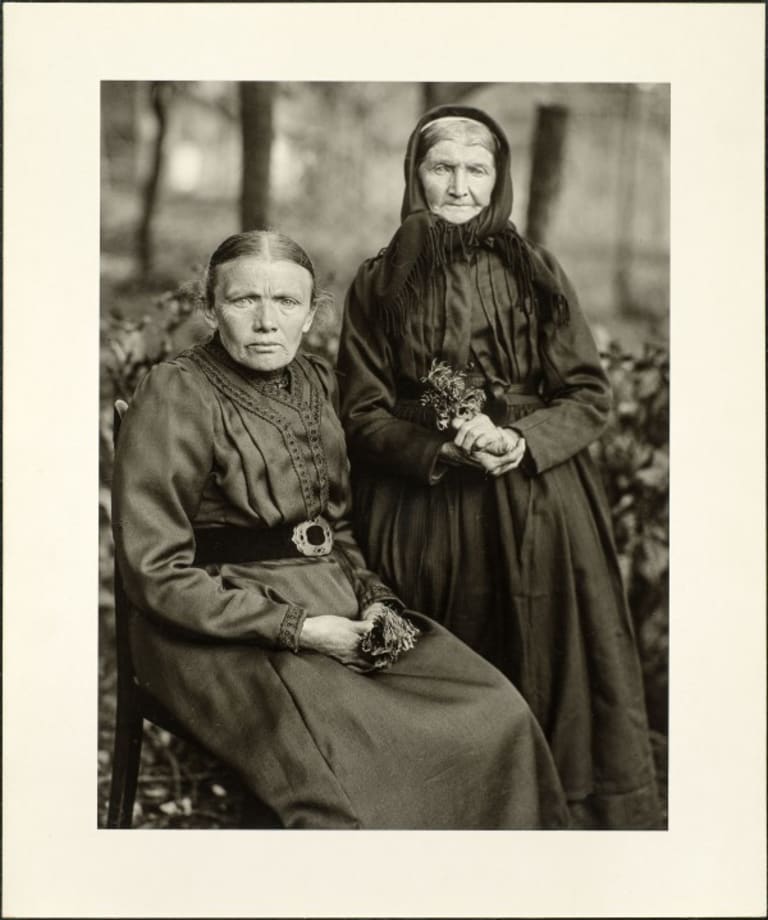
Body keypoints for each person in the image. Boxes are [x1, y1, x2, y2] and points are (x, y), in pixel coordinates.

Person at [111, 229, 569, 830]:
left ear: (310, 315)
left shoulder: (316, 382)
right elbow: (155, 572)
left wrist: (377, 604)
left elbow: (333, 528)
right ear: (209, 310)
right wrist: (301, 630)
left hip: (334, 598)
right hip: (213, 626)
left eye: (287, 302)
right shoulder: (178, 391)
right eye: (244, 301)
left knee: (495, 712)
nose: (267, 322)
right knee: (349, 771)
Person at [337, 105, 661, 829]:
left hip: (540, 501)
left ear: (498, 176)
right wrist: (437, 449)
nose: (458, 185)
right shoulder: (377, 282)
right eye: (441, 167)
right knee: (447, 666)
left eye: (475, 169)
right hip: (425, 508)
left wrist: (526, 440)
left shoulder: (536, 269)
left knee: (548, 656)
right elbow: (361, 416)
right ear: (415, 175)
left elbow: (587, 395)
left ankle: (554, 816)